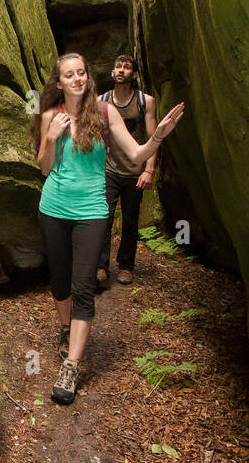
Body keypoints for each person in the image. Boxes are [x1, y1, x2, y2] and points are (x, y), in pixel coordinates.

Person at [32, 53, 184, 404]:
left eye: (81, 73)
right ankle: (66, 328)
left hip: (91, 212)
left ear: (88, 77)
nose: (77, 79)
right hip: (53, 209)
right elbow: (43, 168)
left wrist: (157, 137)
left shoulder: (104, 112)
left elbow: (135, 153)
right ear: (58, 82)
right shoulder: (50, 116)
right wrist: (52, 138)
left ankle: (71, 366)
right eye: (69, 75)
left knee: (83, 286)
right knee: (60, 282)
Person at [98, 54, 157, 286]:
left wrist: (149, 170)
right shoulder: (101, 101)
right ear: (112, 72)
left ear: (134, 74)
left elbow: (154, 138)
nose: (121, 70)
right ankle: (101, 267)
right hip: (109, 169)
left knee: (131, 220)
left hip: (135, 171)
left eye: (126, 67)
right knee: (104, 217)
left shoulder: (145, 102)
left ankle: (126, 266)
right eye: (117, 66)